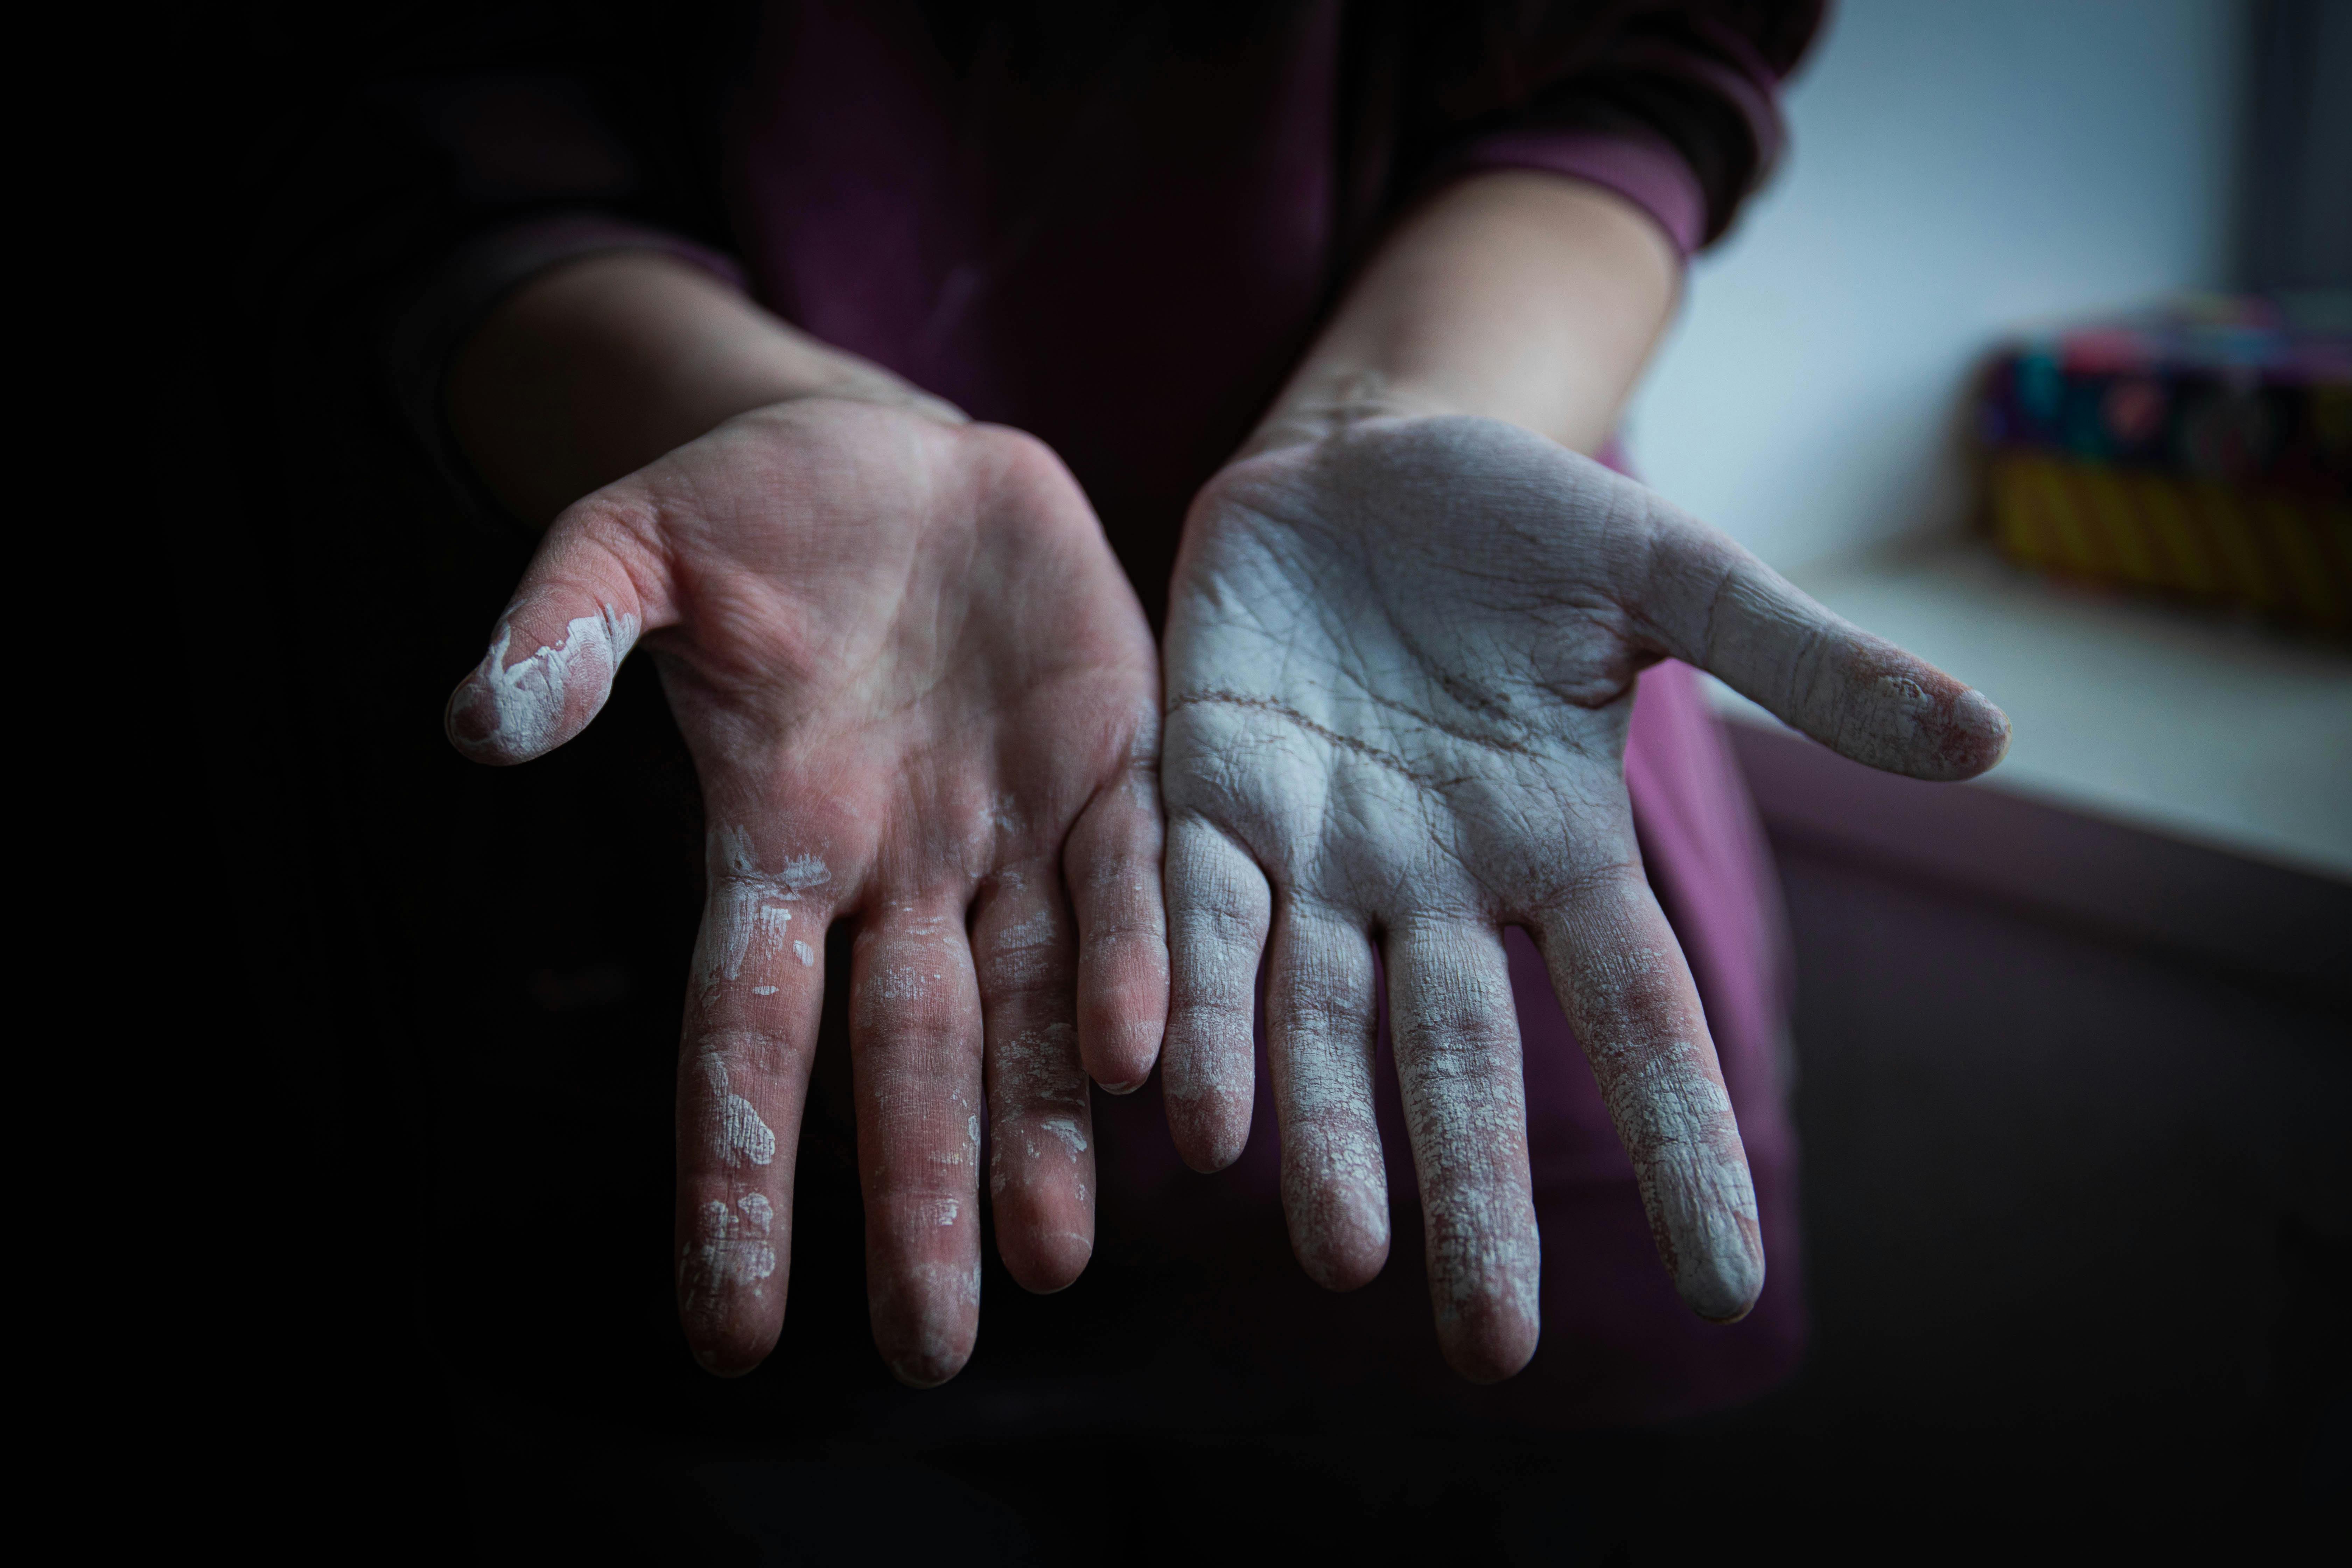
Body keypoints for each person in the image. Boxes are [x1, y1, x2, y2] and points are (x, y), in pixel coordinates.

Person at [241, 0, 2004, 1514]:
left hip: (1436, 871)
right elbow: (414, 140)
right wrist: (780, 425)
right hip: (728, 921)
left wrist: (1390, 414)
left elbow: (1633, 68)